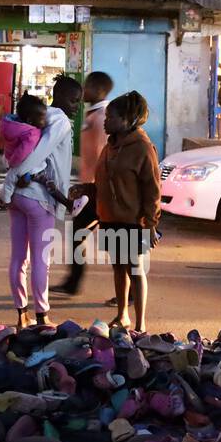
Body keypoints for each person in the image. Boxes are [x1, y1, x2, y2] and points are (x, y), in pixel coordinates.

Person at [0, 75, 80, 327]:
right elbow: (37, 154)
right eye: (74, 100)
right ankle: (42, 316)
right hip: (39, 198)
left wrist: (13, 182)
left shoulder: (39, 117)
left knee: (18, 258)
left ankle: (21, 313)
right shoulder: (60, 122)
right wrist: (15, 177)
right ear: (60, 96)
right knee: (40, 261)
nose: (77, 106)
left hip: (19, 197)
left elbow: (15, 152)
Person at [96, 90, 161, 331]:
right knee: (118, 268)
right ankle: (122, 315)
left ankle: (141, 324)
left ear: (127, 120)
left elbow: (152, 188)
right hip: (110, 217)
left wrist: (151, 223)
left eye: (110, 117)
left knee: (136, 270)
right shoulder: (111, 146)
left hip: (134, 221)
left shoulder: (143, 148)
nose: (105, 121)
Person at [54, 70, 113, 297]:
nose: (83, 90)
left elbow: (105, 154)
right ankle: (73, 282)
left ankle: (127, 290)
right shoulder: (92, 114)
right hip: (88, 187)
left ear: (98, 90)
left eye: (87, 86)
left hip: (99, 189)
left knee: (112, 239)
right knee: (78, 234)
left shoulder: (106, 116)